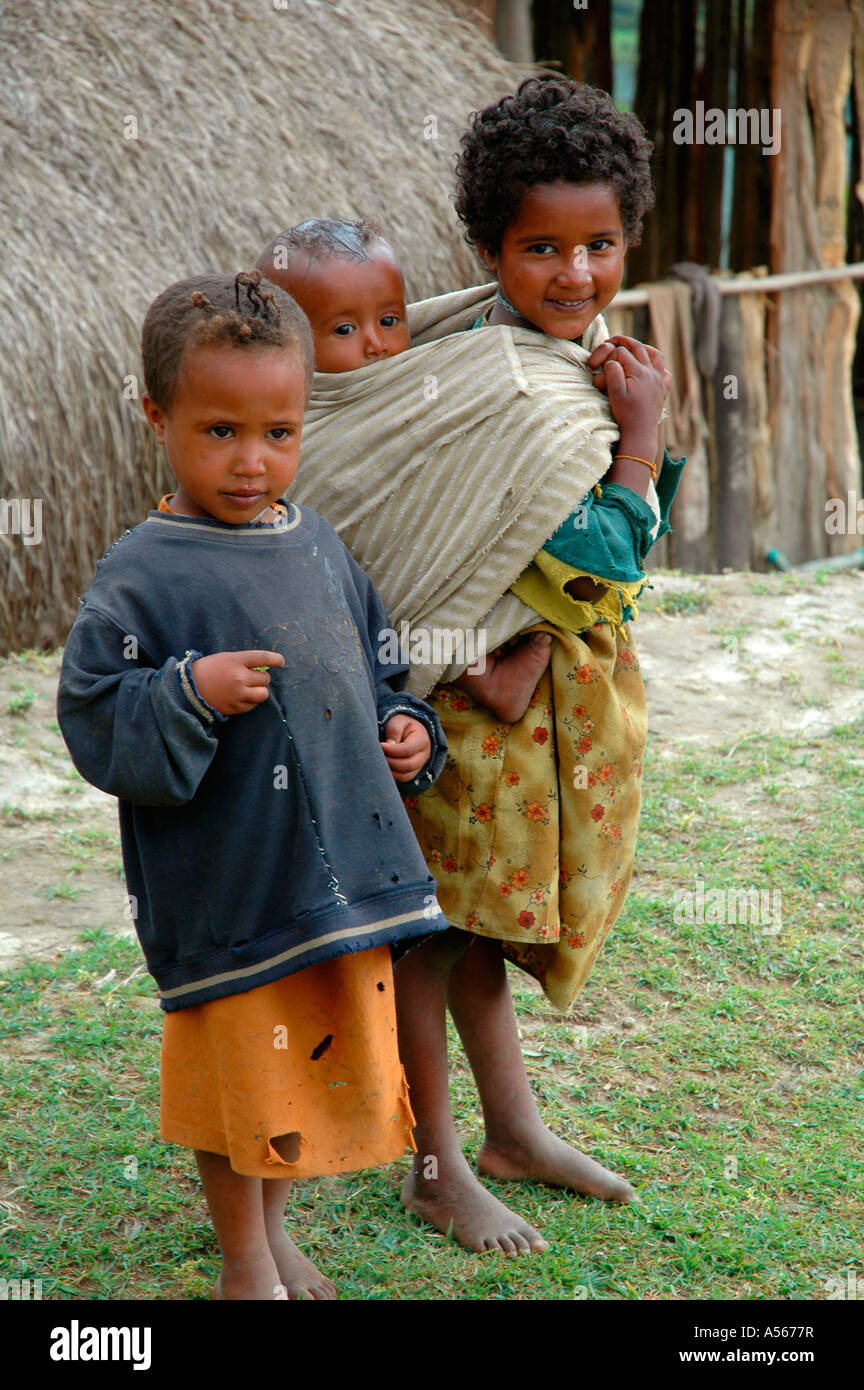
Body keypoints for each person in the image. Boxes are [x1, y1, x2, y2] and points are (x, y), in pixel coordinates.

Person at [286, 77, 686, 1256]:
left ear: (629, 238)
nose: (575, 272)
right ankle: (437, 1166)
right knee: (433, 934)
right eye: (541, 248)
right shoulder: (504, 380)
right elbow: (603, 560)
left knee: (474, 933)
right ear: (487, 249)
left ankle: (510, 1131)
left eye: (599, 244)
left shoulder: (540, 354)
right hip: (448, 714)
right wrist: (644, 439)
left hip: (500, 708)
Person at [56, 270, 449, 1299]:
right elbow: (93, 711)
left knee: (294, 1072)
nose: (252, 460)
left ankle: (274, 1238)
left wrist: (407, 729)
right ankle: (244, 1264)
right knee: (240, 1082)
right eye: (220, 431)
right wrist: (187, 689)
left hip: (328, 880)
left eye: (279, 432)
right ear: (158, 417)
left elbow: (379, 666)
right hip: (227, 888)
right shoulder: (145, 572)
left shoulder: (316, 542)